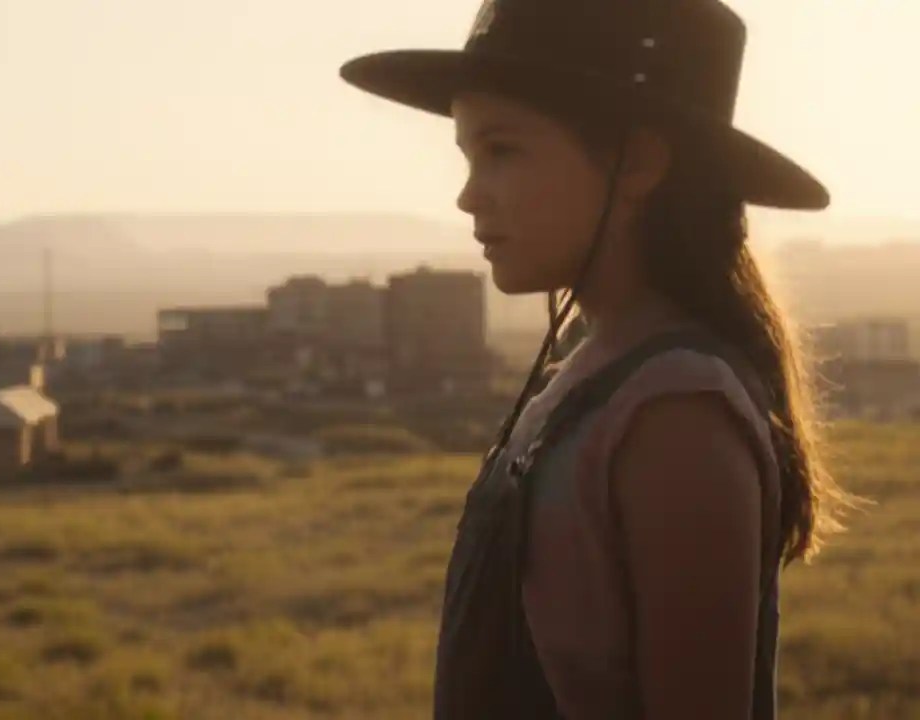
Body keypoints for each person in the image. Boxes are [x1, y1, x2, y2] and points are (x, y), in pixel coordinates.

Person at [339, 0, 854, 718]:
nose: (467, 195)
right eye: (469, 156)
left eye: (503, 150)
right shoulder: (590, 370)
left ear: (637, 161)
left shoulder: (675, 409)